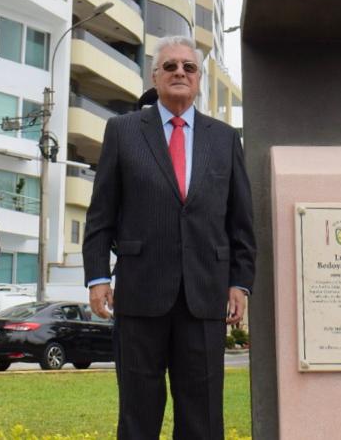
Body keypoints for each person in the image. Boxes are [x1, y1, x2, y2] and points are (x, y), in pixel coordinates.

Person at [83, 36, 256, 440]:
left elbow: (241, 223)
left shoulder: (225, 138)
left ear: (198, 81)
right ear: (155, 75)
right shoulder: (123, 131)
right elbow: (100, 215)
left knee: (203, 416)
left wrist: (239, 282)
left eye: (189, 67)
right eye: (171, 66)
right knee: (138, 414)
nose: (180, 72)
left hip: (205, 296)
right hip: (140, 294)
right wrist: (97, 278)